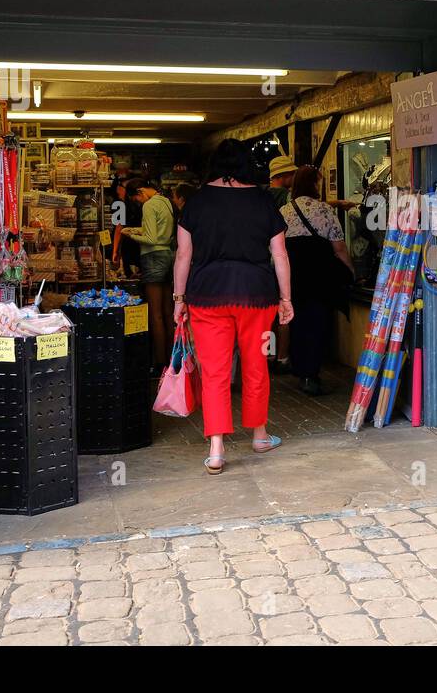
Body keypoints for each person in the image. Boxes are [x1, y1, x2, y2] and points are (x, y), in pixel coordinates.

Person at [174, 139, 293, 474]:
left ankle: (216, 448)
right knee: (256, 365)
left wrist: (178, 299)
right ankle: (259, 435)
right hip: (257, 297)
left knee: (215, 372)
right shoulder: (262, 200)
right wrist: (286, 299)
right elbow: (280, 255)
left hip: (207, 297)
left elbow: (184, 255)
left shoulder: (196, 202)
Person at [281, 165, 354, 396]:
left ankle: (300, 368)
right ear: (313, 184)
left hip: (293, 275)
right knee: (318, 322)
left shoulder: (284, 211)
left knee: (298, 321)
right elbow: (339, 247)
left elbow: (276, 247)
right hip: (319, 275)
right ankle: (311, 374)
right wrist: (350, 270)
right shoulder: (324, 211)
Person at [121, 178, 175, 370]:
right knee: (168, 313)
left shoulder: (149, 205)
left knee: (155, 314)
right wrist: (136, 229)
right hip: (168, 255)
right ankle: (172, 360)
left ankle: (159, 363)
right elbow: (158, 232)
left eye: (136, 197)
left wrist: (130, 235)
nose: (138, 201)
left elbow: (151, 238)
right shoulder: (165, 201)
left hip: (153, 257)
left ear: (141, 191)